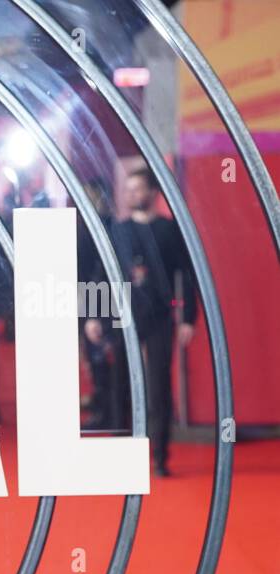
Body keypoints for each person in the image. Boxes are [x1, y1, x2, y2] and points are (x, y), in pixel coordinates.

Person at [109, 167, 198, 476]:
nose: (132, 194)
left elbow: (187, 274)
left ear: (152, 193)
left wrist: (188, 318)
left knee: (159, 385)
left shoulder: (169, 230)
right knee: (122, 382)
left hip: (160, 316)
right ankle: (124, 454)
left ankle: (159, 455)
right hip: (123, 316)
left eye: (138, 189)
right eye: (128, 189)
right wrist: (95, 315)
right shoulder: (117, 230)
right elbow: (103, 275)